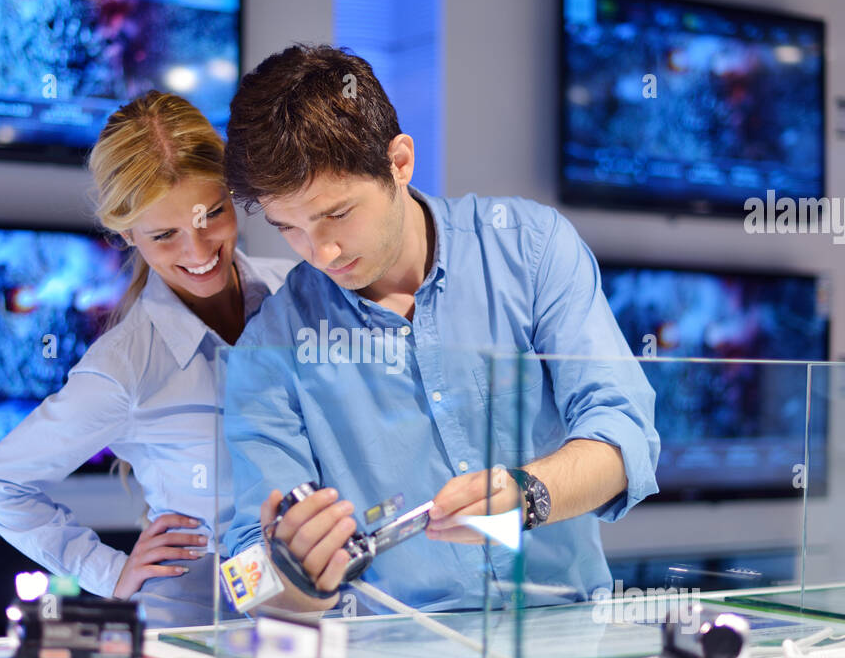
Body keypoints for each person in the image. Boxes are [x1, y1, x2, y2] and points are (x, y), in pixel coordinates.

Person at [221, 45, 660, 614]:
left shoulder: (529, 248)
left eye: (337, 214)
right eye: (289, 228)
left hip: (566, 628)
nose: (320, 251)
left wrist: (527, 494)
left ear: (398, 162)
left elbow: (624, 434)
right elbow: (243, 580)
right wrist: (296, 580)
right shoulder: (271, 346)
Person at [0, 91, 293, 627]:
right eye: (164, 235)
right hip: (199, 609)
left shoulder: (300, 294)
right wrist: (105, 572)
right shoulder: (123, 368)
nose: (198, 250)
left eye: (212, 214)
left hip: (321, 591)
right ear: (126, 233)